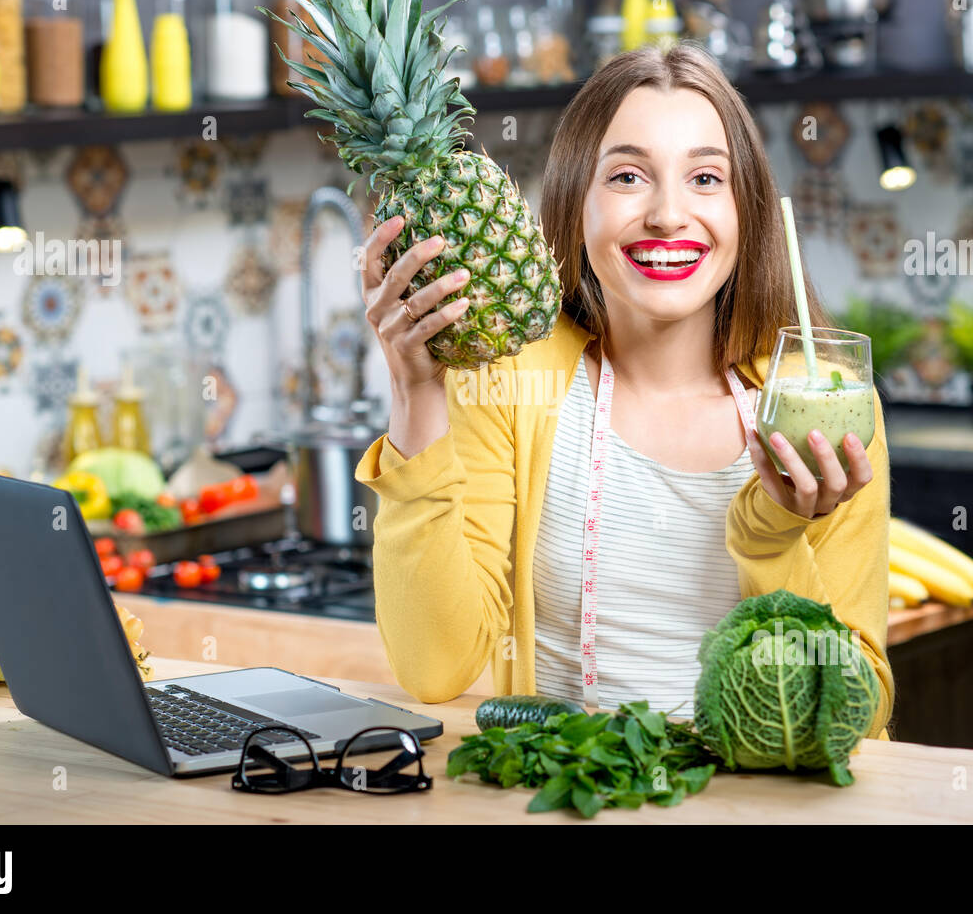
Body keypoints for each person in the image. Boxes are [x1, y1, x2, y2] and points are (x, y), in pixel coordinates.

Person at [354, 42, 893, 740]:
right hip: (572, 788)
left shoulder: (822, 407)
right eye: (629, 176)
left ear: (747, 209)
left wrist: (773, 535)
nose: (668, 214)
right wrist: (416, 397)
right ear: (576, 201)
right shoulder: (510, 382)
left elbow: (858, 709)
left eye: (705, 178)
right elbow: (435, 668)